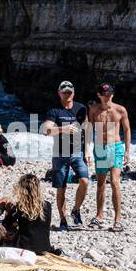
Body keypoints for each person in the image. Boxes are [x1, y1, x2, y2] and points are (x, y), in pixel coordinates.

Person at [42, 80, 90, 231]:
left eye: (70, 91)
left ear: (73, 93)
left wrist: (87, 151)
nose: (67, 94)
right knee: (61, 188)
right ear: (59, 93)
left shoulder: (81, 108)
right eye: (64, 92)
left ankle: (76, 210)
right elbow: (46, 130)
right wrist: (63, 128)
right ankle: (63, 220)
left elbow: (87, 130)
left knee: (84, 181)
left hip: (77, 153)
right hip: (60, 154)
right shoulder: (54, 111)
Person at [87, 84, 132, 231]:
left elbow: (127, 130)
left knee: (114, 181)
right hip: (100, 148)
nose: (107, 97)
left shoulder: (120, 110)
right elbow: (88, 130)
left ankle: (118, 219)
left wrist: (127, 151)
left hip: (116, 147)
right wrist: (87, 150)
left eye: (110, 94)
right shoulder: (93, 110)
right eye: (105, 94)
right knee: (100, 183)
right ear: (99, 95)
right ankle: (99, 216)